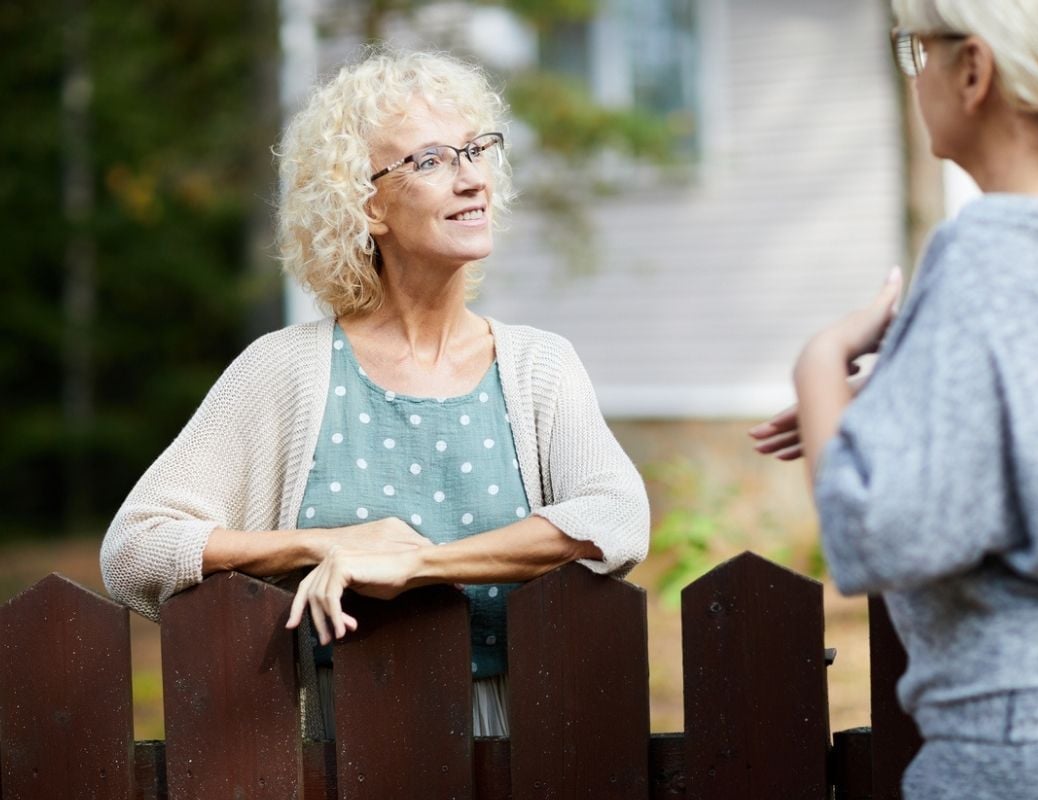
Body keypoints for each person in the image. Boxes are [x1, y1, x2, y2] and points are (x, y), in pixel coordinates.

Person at [100, 48, 650, 739]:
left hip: (525, 731)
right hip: (336, 733)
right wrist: (322, 545)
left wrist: (419, 563)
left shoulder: (540, 365)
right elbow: (134, 550)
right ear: (366, 205)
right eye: (430, 161)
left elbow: (617, 517)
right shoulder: (283, 369)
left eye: (476, 151)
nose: (471, 179)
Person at [751, 1, 1038, 797]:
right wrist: (904, 383)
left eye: (913, 49)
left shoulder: (984, 249)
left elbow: (877, 535)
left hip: (1029, 754)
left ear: (973, 69)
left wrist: (820, 366)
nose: (913, 73)